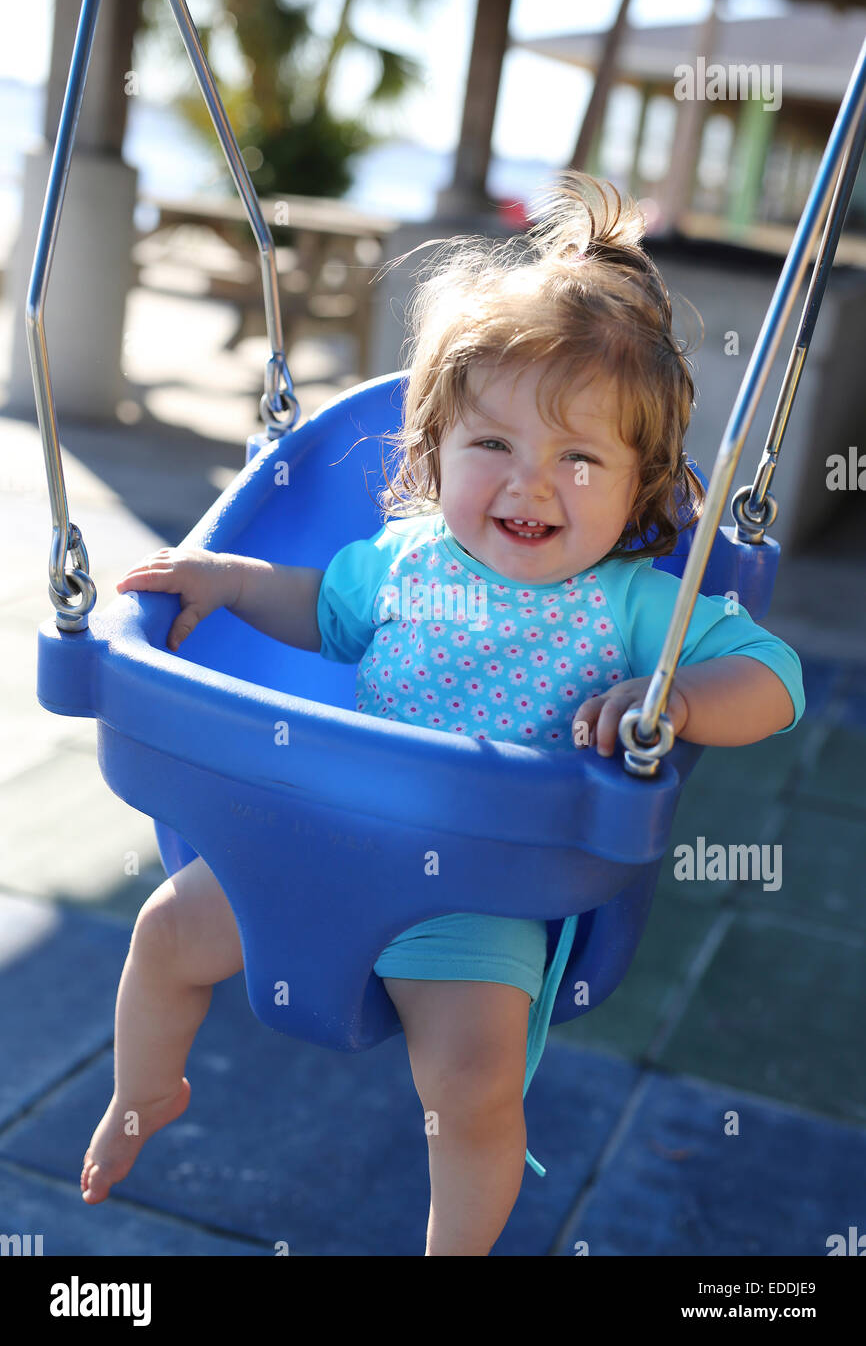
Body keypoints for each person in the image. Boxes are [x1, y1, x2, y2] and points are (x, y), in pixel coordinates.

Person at [80, 173, 805, 1255]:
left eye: (578, 457)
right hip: (308, 837)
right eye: (493, 446)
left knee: (469, 1087)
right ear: (430, 454)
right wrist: (230, 579)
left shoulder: (635, 603)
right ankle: (143, 1091)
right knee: (164, 932)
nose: (531, 484)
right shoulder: (402, 562)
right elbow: (317, 610)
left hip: (476, 887)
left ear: (640, 489)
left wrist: (676, 697)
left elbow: (774, 679)